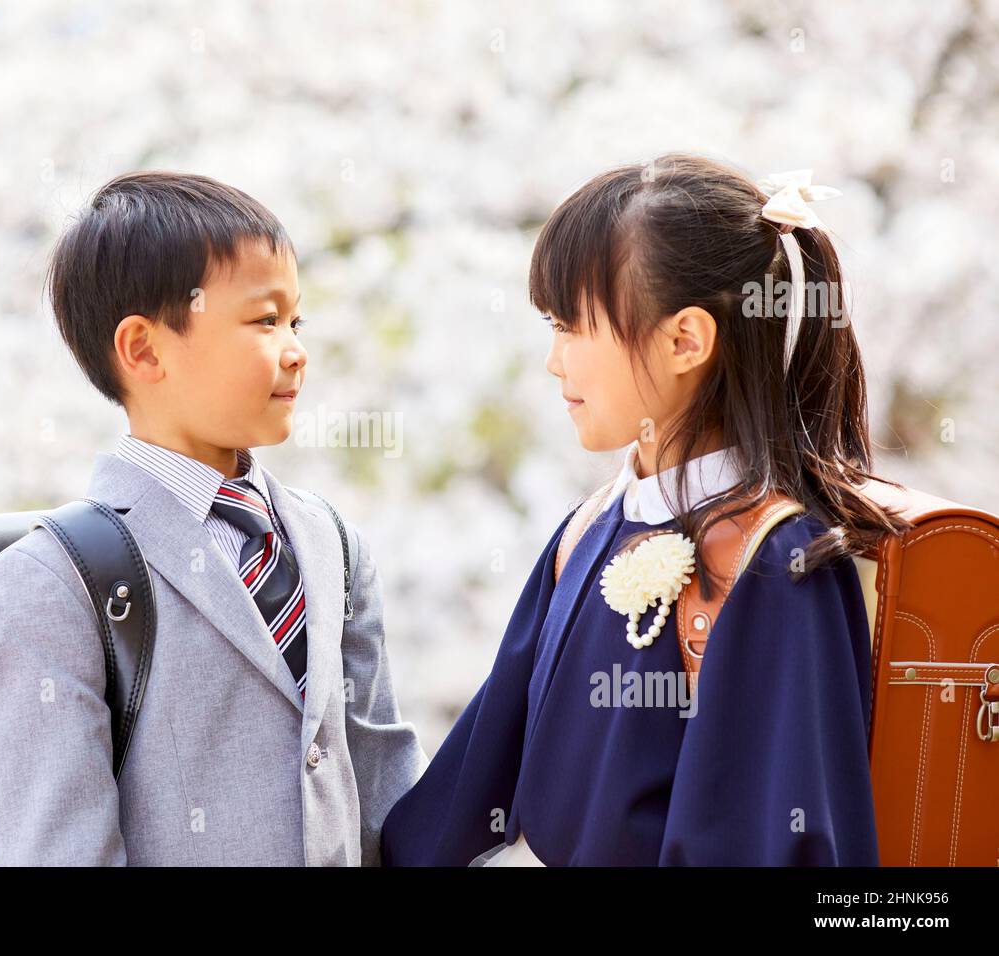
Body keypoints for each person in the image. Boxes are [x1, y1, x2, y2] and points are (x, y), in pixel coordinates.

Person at [381, 153, 907, 866]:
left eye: (573, 327)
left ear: (685, 339)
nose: (554, 361)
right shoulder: (590, 527)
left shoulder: (775, 560)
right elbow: (467, 789)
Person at [0, 171, 426, 865]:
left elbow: (389, 790)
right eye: (264, 321)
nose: (296, 348)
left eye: (296, 320)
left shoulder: (331, 543)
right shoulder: (49, 584)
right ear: (145, 349)